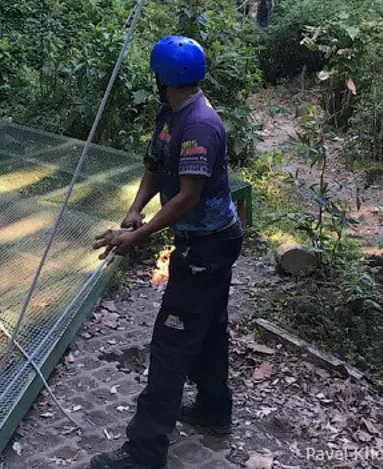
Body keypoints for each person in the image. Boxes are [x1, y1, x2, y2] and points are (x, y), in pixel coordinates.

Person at [88, 35, 245, 469]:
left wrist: (139, 237)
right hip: (204, 241)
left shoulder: (199, 126)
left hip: (209, 245)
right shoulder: (171, 113)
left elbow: (188, 197)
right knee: (210, 327)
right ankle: (214, 411)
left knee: (171, 342)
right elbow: (156, 166)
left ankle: (144, 451)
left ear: (164, 77)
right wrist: (135, 209)